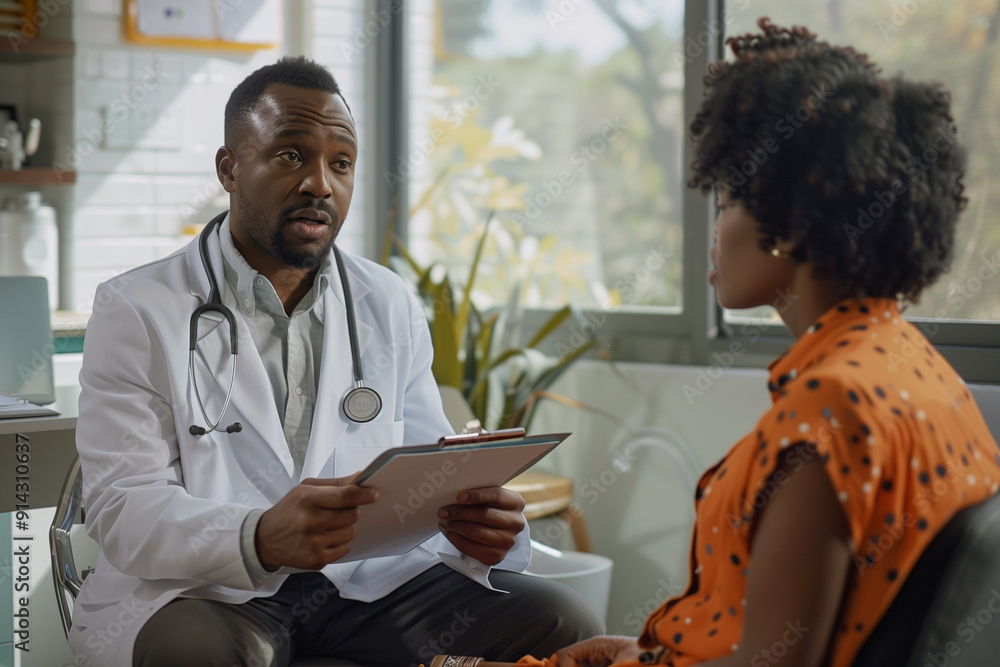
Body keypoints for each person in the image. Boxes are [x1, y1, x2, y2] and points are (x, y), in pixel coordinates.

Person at [70, 56, 603, 667]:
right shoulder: (138, 307)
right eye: (291, 155)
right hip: (216, 588)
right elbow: (122, 506)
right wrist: (259, 535)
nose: (321, 184)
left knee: (565, 621)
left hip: (365, 587)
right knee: (198, 652)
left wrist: (475, 524)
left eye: (341, 163)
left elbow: (430, 463)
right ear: (230, 168)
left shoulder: (388, 301)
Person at [499, 17, 1000, 667]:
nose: (715, 225)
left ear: (789, 225)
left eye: (730, 197)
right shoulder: (915, 367)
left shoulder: (829, 409)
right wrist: (640, 655)